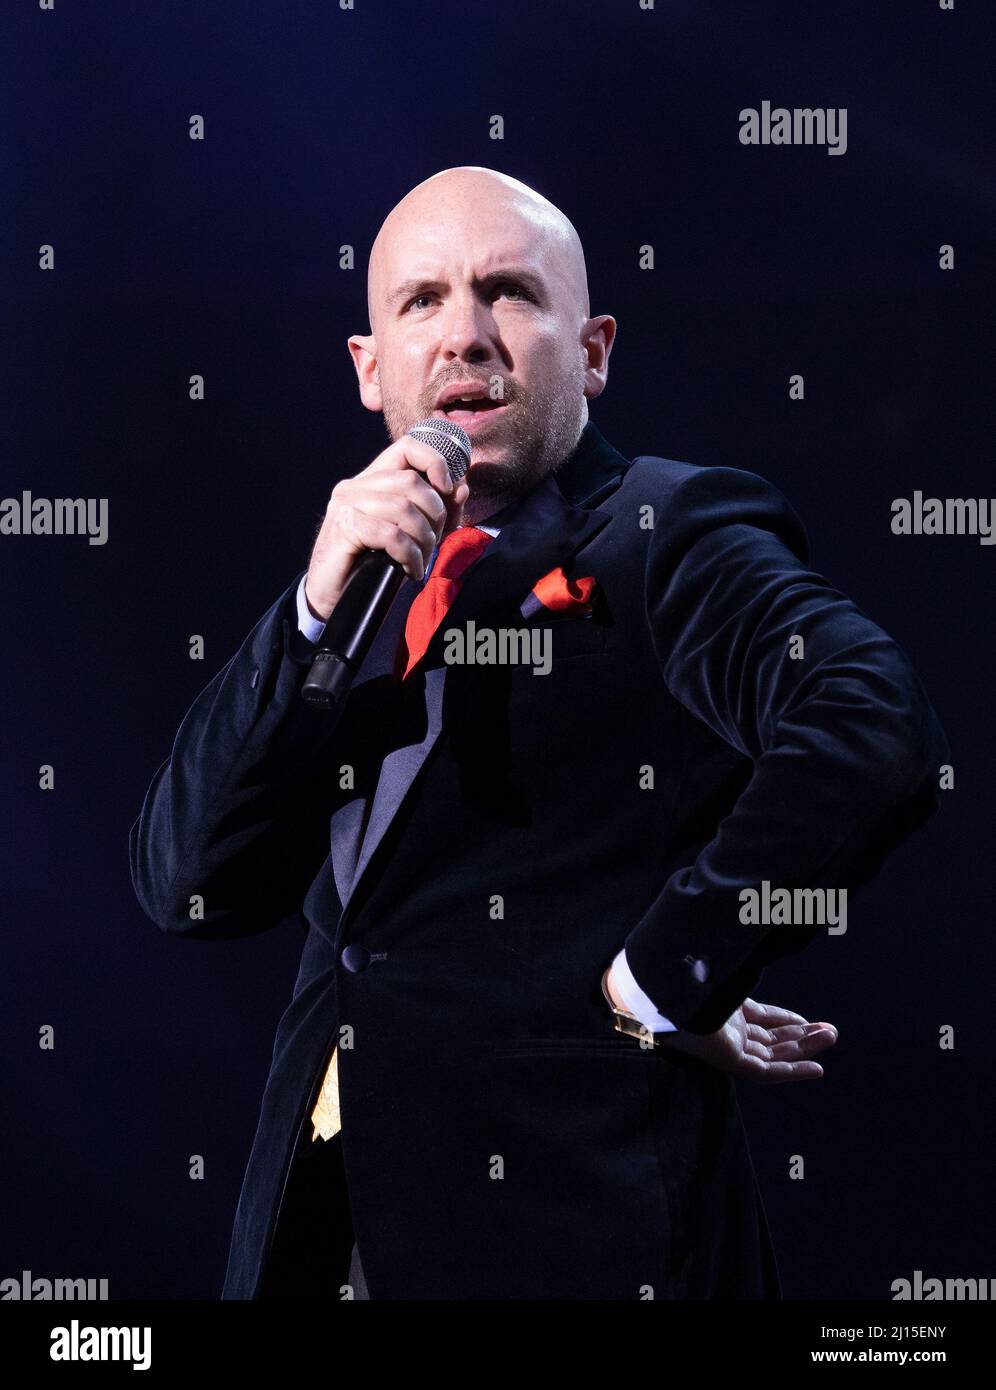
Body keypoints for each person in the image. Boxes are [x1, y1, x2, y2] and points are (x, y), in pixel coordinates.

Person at [129, 166, 948, 1300]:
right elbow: (187, 883)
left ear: (595, 351)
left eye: (507, 291)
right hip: (315, 1241)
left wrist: (663, 975)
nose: (463, 335)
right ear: (371, 370)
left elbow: (869, 718)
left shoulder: (670, 531)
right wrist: (311, 608)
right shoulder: (356, 581)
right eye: (420, 301)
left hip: (568, 1243)